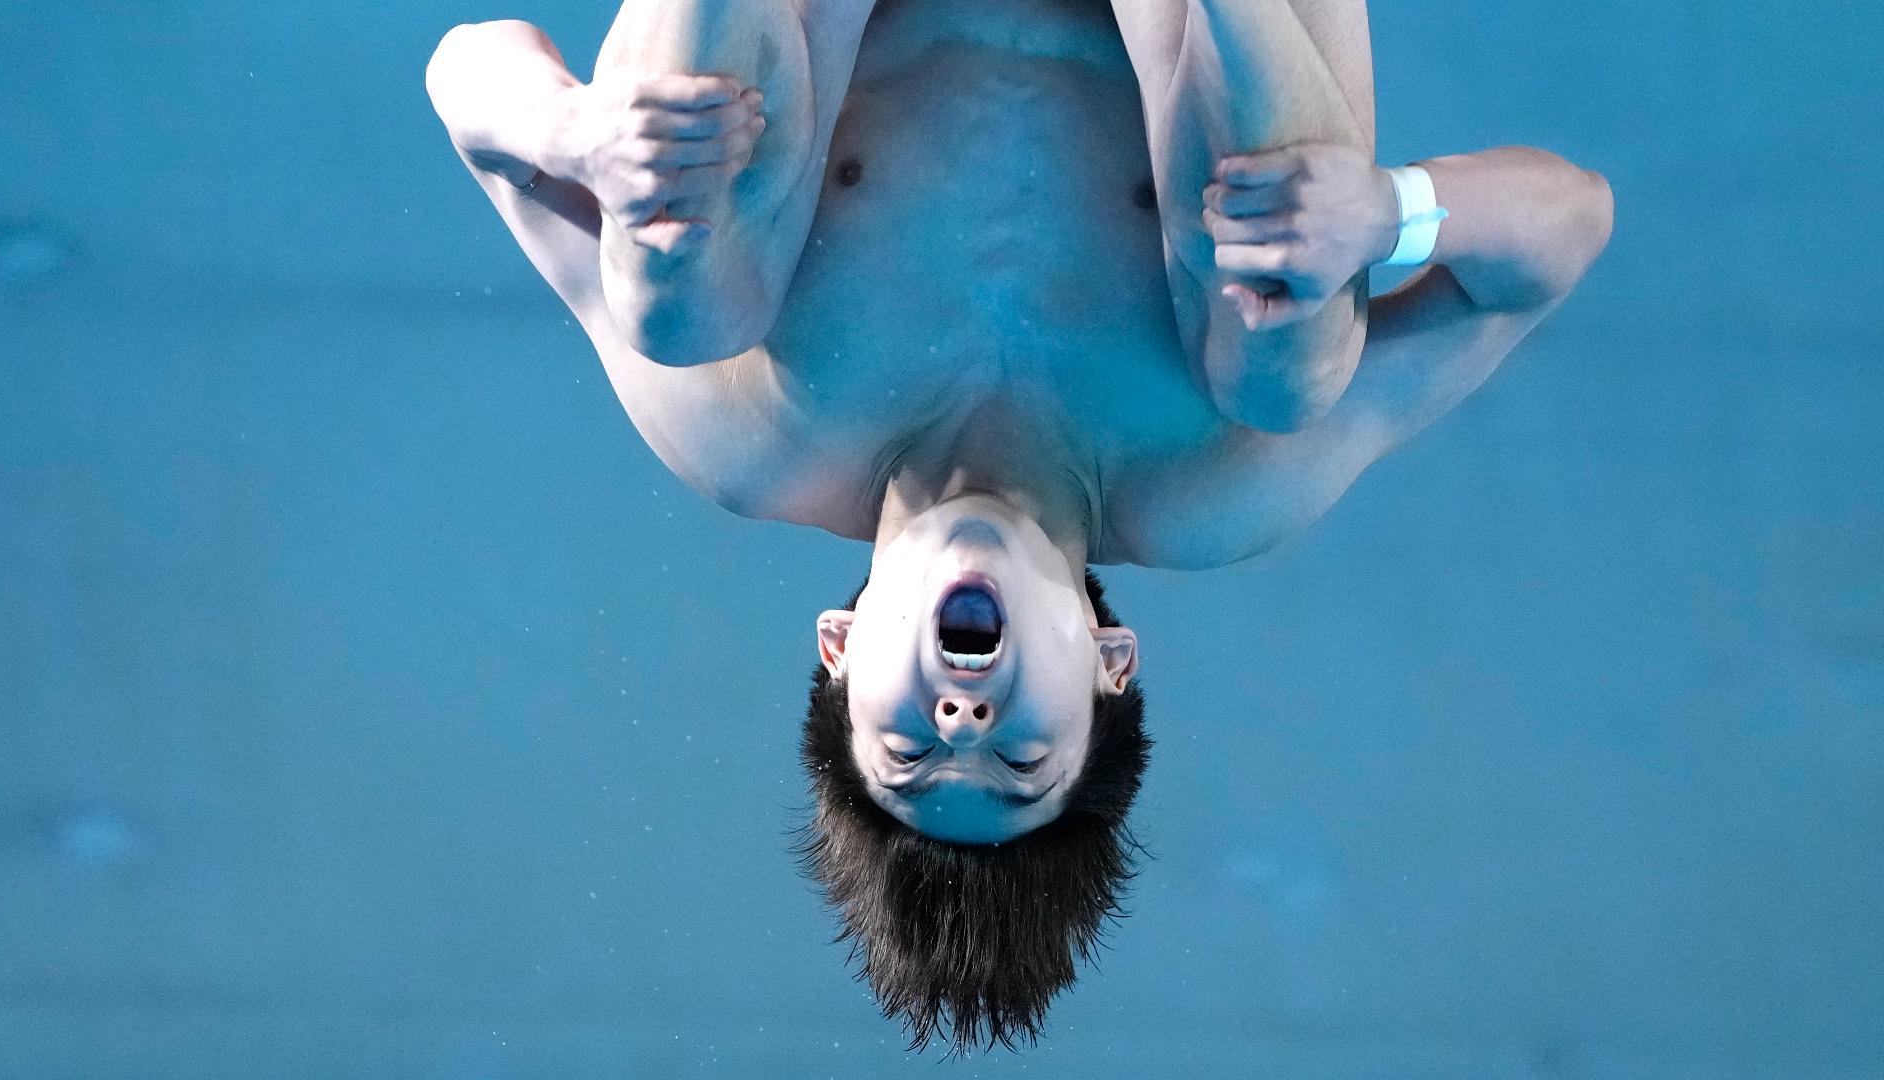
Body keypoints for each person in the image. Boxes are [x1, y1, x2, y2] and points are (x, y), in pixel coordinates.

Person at [424, 0, 1613, 1053]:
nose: (963, 718)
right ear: (1110, 669)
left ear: (837, 650)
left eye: (913, 753)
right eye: (1019, 760)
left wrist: (575, 135)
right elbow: (1567, 227)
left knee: (674, 299)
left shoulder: (744, 432)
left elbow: (465, 72)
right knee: (1284, 376)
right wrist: (1392, 216)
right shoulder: (1212, 480)